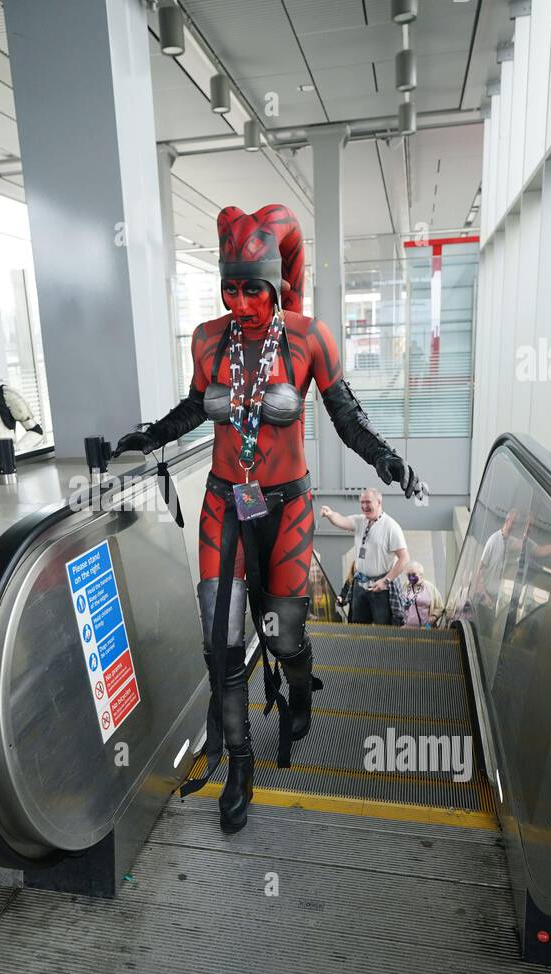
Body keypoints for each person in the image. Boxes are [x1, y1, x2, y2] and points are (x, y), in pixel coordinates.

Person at [113, 203, 420, 833]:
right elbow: (194, 408)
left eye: (253, 288)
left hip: (287, 507)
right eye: (230, 288)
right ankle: (240, 764)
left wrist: (388, 461)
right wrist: (151, 436)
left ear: (276, 285)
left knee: (281, 633)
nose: (241, 303)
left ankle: (300, 680)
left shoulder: (310, 337)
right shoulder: (207, 339)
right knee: (219, 647)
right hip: (226, 504)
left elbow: (347, 418)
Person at [319, 489, 411, 626]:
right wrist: (330, 514)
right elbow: (342, 520)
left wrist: (385, 581)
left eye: (368, 502)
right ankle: (360, 648)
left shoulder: (391, 527)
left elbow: (404, 558)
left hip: (380, 588)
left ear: (379, 502)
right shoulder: (360, 521)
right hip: (360, 585)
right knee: (358, 627)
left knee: (383, 629)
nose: (364, 506)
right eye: (362, 502)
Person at [402, 560, 444, 628]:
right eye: (408, 575)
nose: (411, 577)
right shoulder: (405, 586)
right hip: (407, 628)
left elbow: (440, 607)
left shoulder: (430, 588)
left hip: (425, 628)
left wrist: (431, 621)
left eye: (414, 574)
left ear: (421, 574)